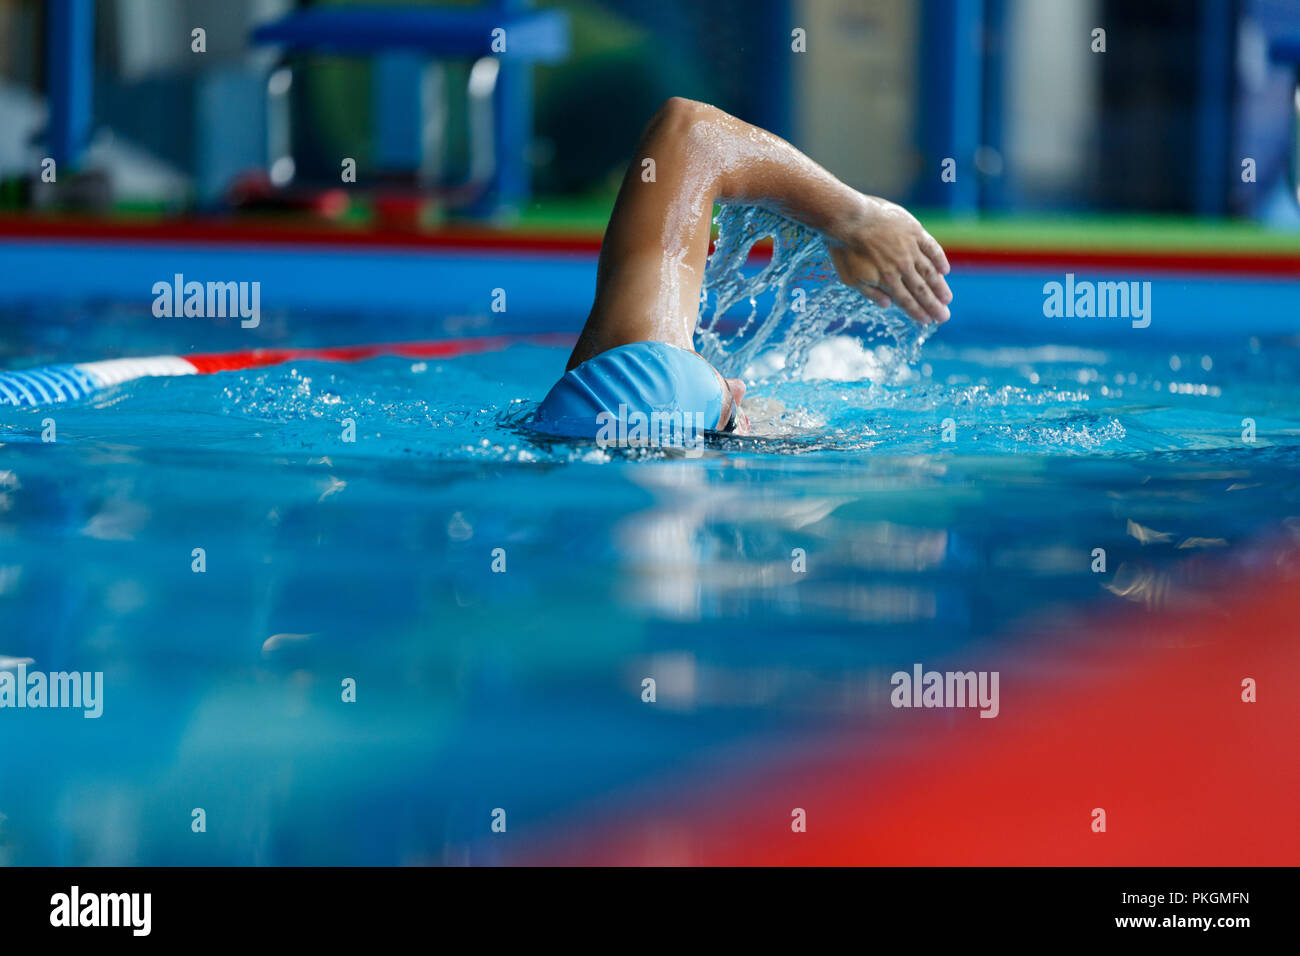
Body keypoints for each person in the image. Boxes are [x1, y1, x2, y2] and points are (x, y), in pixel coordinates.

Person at [532, 97, 952, 441]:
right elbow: (691, 134)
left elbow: (690, 136)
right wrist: (857, 221)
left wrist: (850, 217)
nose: (739, 387)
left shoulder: (612, 386)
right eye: (731, 418)